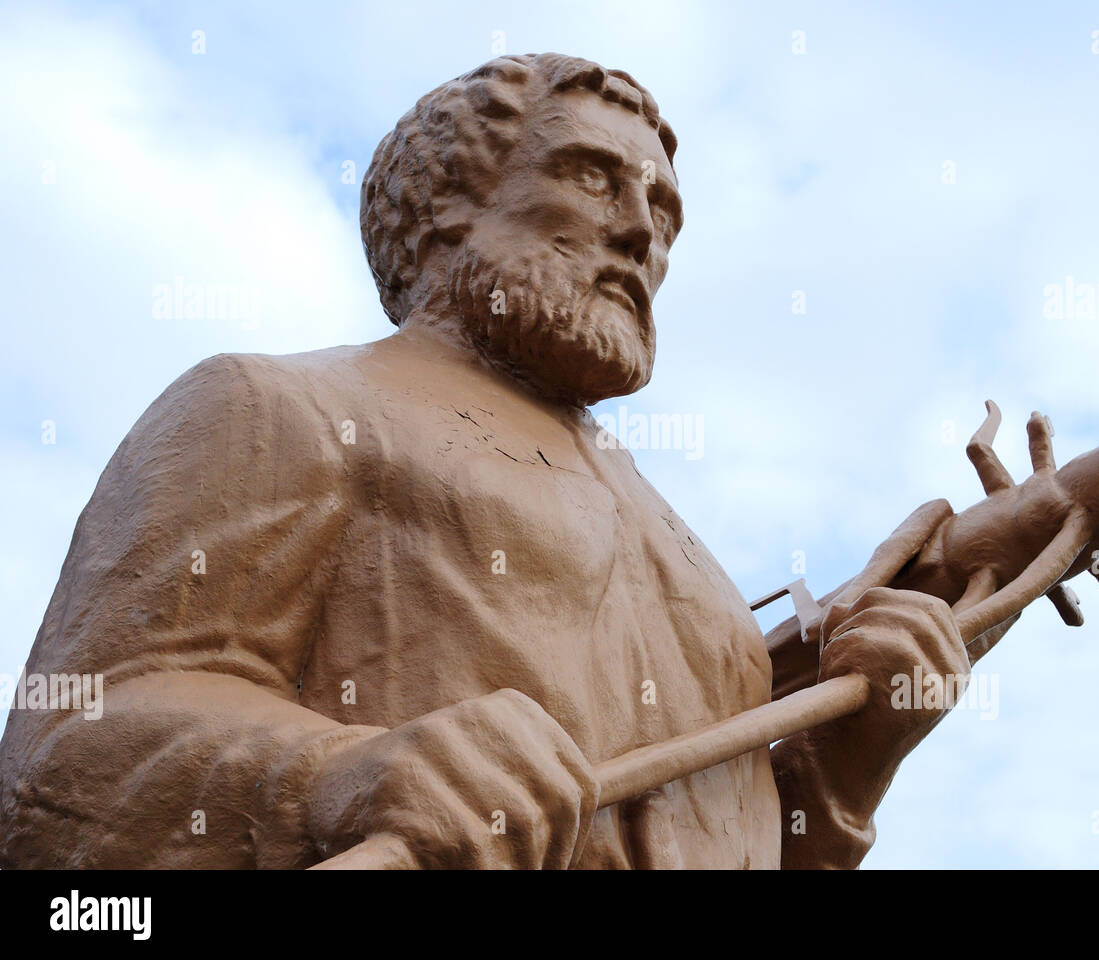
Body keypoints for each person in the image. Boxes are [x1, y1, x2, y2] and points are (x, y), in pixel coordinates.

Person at [0, 53, 975, 869]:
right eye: (593, 177)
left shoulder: (695, 571)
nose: (642, 234)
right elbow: (58, 758)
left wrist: (851, 766)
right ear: (445, 208)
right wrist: (340, 776)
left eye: (665, 213)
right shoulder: (279, 407)